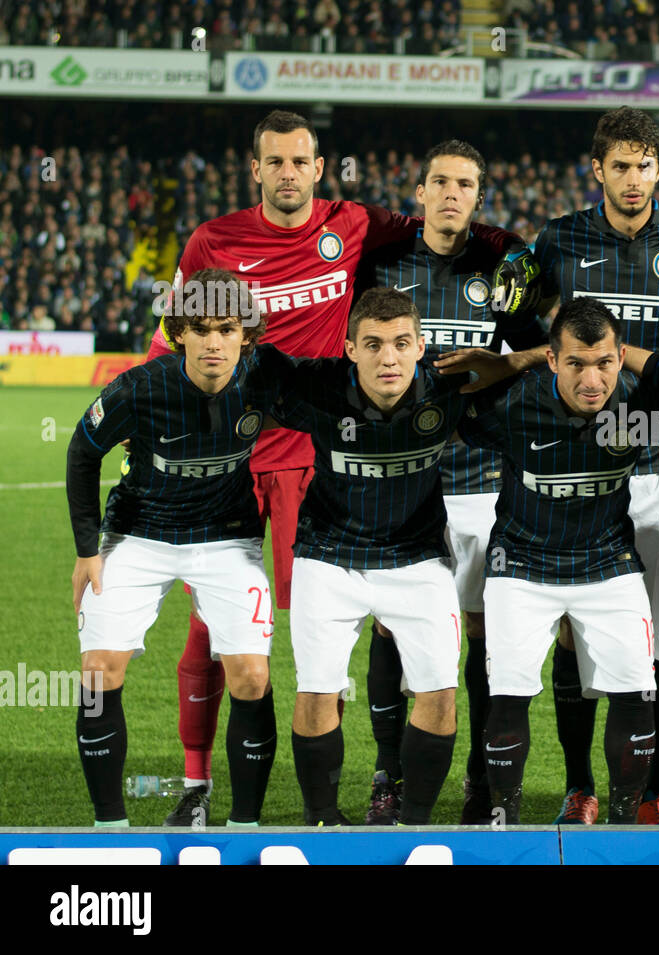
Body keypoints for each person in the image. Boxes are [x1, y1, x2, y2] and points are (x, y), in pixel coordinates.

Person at [145, 109, 532, 827]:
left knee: (330, 625)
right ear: (254, 169)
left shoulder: (351, 225)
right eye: (275, 161)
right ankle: (198, 786)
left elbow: (439, 225)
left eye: (301, 160)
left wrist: (515, 251)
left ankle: (375, 775)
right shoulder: (213, 242)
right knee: (215, 627)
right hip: (224, 453)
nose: (288, 172)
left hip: (305, 453)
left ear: (318, 169)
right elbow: (174, 342)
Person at [530, 105, 659, 825]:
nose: (633, 178)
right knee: (575, 629)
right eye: (620, 165)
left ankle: (650, 791)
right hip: (584, 465)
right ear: (598, 169)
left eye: (645, 165)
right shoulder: (559, 240)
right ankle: (581, 785)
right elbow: (530, 328)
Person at [355, 139, 546, 825]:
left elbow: (533, 353)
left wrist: (492, 366)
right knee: (390, 628)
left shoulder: (503, 264)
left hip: (478, 483)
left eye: (464, 184)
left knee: (481, 630)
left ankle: (479, 781)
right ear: (421, 191)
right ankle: (389, 774)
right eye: (439, 181)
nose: (450, 194)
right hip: (400, 479)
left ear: (478, 197)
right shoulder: (383, 263)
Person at [68, 269, 284, 827]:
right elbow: (81, 449)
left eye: (227, 330)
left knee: (252, 677)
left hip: (227, 538)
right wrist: (87, 548)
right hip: (138, 536)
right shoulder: (139, 387)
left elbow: (335, 403)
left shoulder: (266, 379)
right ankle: (109, 826)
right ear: (180, 332)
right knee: (98, 671)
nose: (214, 342)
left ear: (247, 336)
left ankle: (244, 827)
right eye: (202, 329)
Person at [274, 288, 481, 826]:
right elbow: (244, 376)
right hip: (327, 556)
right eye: (373, 344)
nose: (388, 357)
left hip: (417, 559)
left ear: (421, 347)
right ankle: (322, 820)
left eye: (400, 344)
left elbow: (529, 389)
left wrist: (519, 359)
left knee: (439, 693)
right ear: (349, 349)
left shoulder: (449, 389)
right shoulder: (317, 387)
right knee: (318, 690)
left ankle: (412, 822)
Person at [458, 299, 659, 824]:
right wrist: (509, 365)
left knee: (636, 692)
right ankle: (504, 816)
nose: (591, 379)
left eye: (603, 362)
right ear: (552, 361)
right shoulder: (511, 405)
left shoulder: (648, 407)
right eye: (575, 363)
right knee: (507, 694)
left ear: (621, 357)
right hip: (521, 565)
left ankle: (621, 822)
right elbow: (443, 408)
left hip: (608, 562)